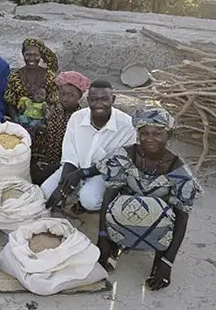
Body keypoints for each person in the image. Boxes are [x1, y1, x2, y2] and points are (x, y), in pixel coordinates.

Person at [95, 108, 202, 290]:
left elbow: (182, 219)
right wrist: (103, 238)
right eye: (144, 133)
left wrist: (167, 261)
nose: (150, 138)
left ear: (168, 135)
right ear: (138, 135)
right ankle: (115, 244)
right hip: (125, 214)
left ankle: (159, 253)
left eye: (157, 133)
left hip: (159, 224)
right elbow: (108, 198)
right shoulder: (125, 156)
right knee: (118, 207)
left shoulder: (178, 170)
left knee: (160, 213)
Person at [41, 80, 137, 211]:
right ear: (87, 100)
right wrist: (62, 185)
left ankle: (89, 199)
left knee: (90, 201)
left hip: (102, 174)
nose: (99, 104)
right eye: (94, 99)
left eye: (104, 99)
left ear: (113, 99)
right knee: (46, 192)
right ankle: (73, 193)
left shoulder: (127, 125)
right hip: (74, 169)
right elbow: (70, 155)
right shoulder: (77, 118)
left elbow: (115, 164)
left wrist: (80, 174)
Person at [40, 71, 91, 171]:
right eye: (62, 94)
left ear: (79, 97)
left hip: (70, 160)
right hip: (52, 151)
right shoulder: (56, 109)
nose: (65, 99)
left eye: (70, 95)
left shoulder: (80, 116)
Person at [5, 38, 59, 124]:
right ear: (23, 54)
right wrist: (16, 121)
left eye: (35, 55)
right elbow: (10, 103)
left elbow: (53, 102)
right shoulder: (15, 76)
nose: (31, 58)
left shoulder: (49, 76)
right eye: (28, 55)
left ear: (40, 55)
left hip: (43, 121)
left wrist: (45, 120)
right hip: (21, 120)